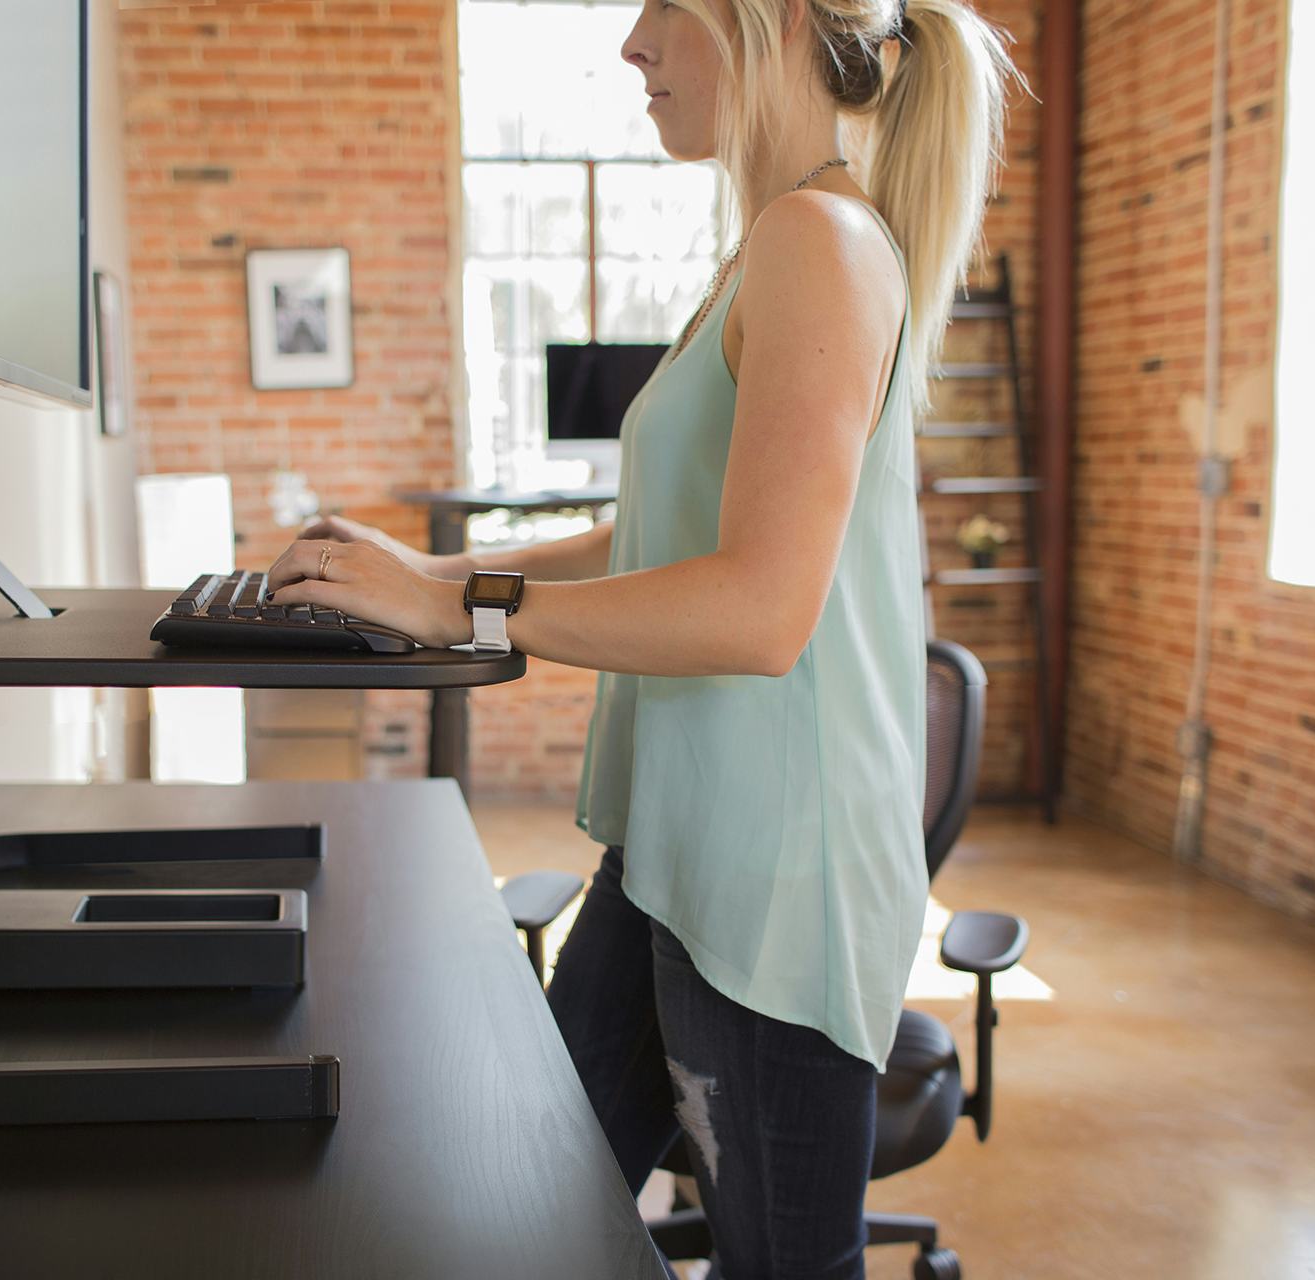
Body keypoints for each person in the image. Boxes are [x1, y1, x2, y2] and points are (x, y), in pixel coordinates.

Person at [267, 1, 1014, 1274]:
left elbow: (760, 609)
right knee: (536, 1208)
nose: (633, 41)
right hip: (677, 843)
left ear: (778, 17)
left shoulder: (819, 240)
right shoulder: (772, 241)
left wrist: (458, 609)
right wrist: (433, 570)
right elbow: (658, 527)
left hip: (774, 877)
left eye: (668, 1)